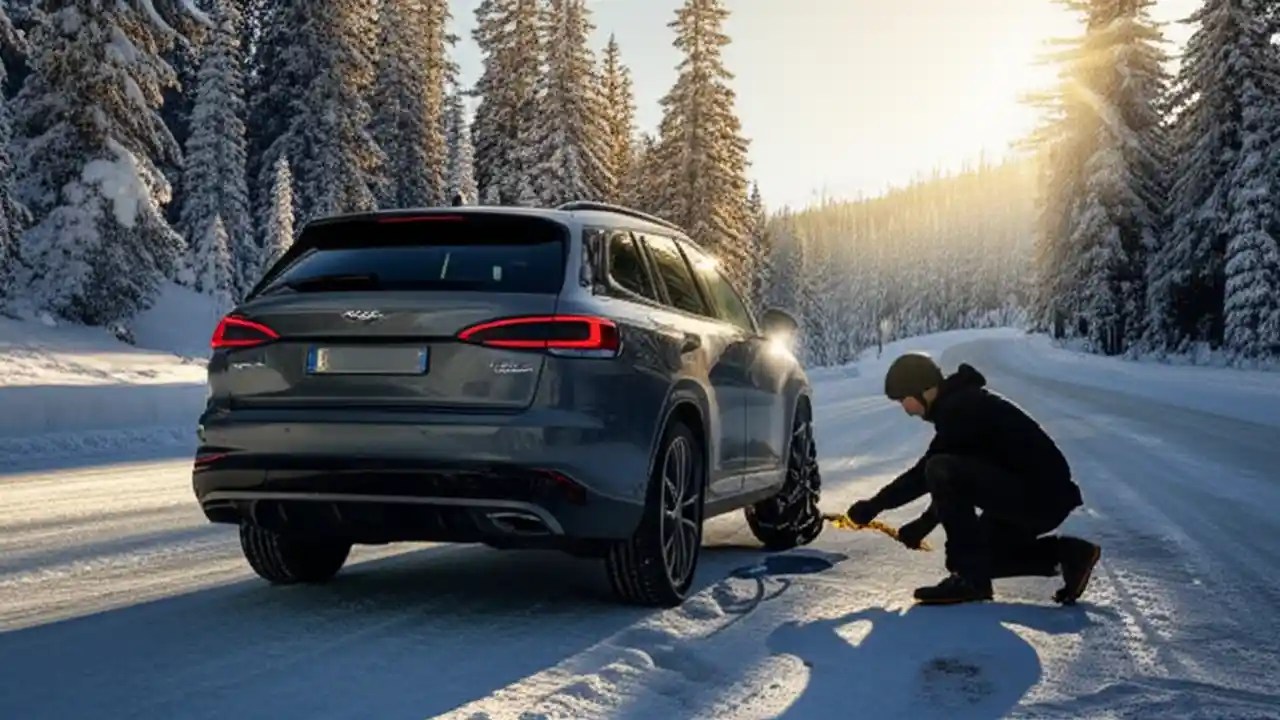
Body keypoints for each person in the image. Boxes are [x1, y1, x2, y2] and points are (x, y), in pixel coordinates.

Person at [846, 352, 1102, 605]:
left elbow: (931, 474)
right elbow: (957, 483)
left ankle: (971, 580)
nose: (906, 409)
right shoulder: (960, 405)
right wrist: (923, 523)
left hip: (1039, 495)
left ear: (923, 390)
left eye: (904, 399)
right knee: (973, 557)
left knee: (939, 468)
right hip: (1032, 495)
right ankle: (1068, 556)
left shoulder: (961, 408)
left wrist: (875, 505)